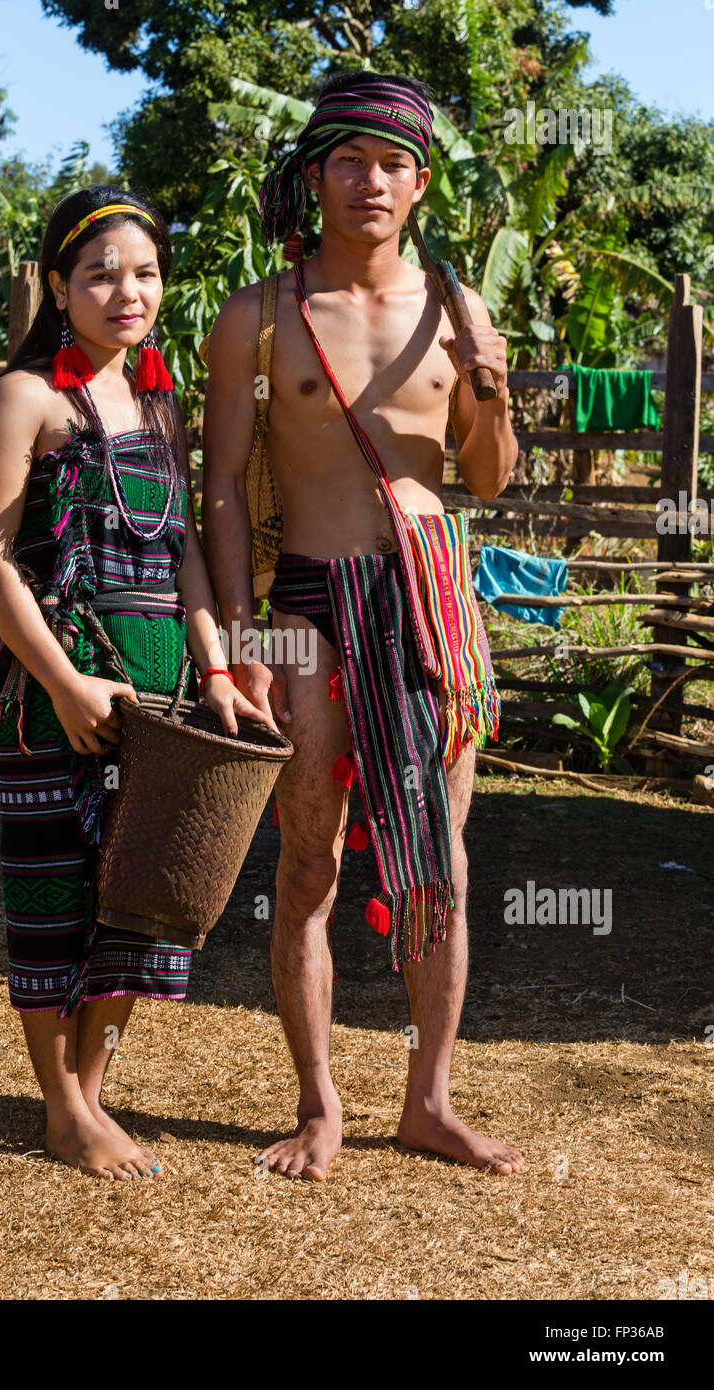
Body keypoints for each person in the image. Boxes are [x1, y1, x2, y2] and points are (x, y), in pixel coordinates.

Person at [202, 71, 523, 1180]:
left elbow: (483, 476)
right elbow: (224, 492)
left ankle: (427, 1102)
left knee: (439, 863)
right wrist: (240, 635)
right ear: (314, 176)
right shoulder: (259, 312)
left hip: (433, 608)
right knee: (305, 867)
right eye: (348, 161)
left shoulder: (457, 306)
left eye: (390, 164)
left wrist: (485, 390)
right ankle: (319, 1105)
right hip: (308, 609)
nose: (369, 181)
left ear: (419, 183)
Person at [0, 187, 275, 1181]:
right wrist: (62, 683)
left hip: (159, 692)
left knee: (147, 897)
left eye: (142, 272)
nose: (123, 290)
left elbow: (180, 550)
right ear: (59, 287)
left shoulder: (155, 396)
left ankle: (91, 1094)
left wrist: (214, 668)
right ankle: (61, 1109)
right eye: (98, 273)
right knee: (55, 894)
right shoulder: (25, 398)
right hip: (57, 688)